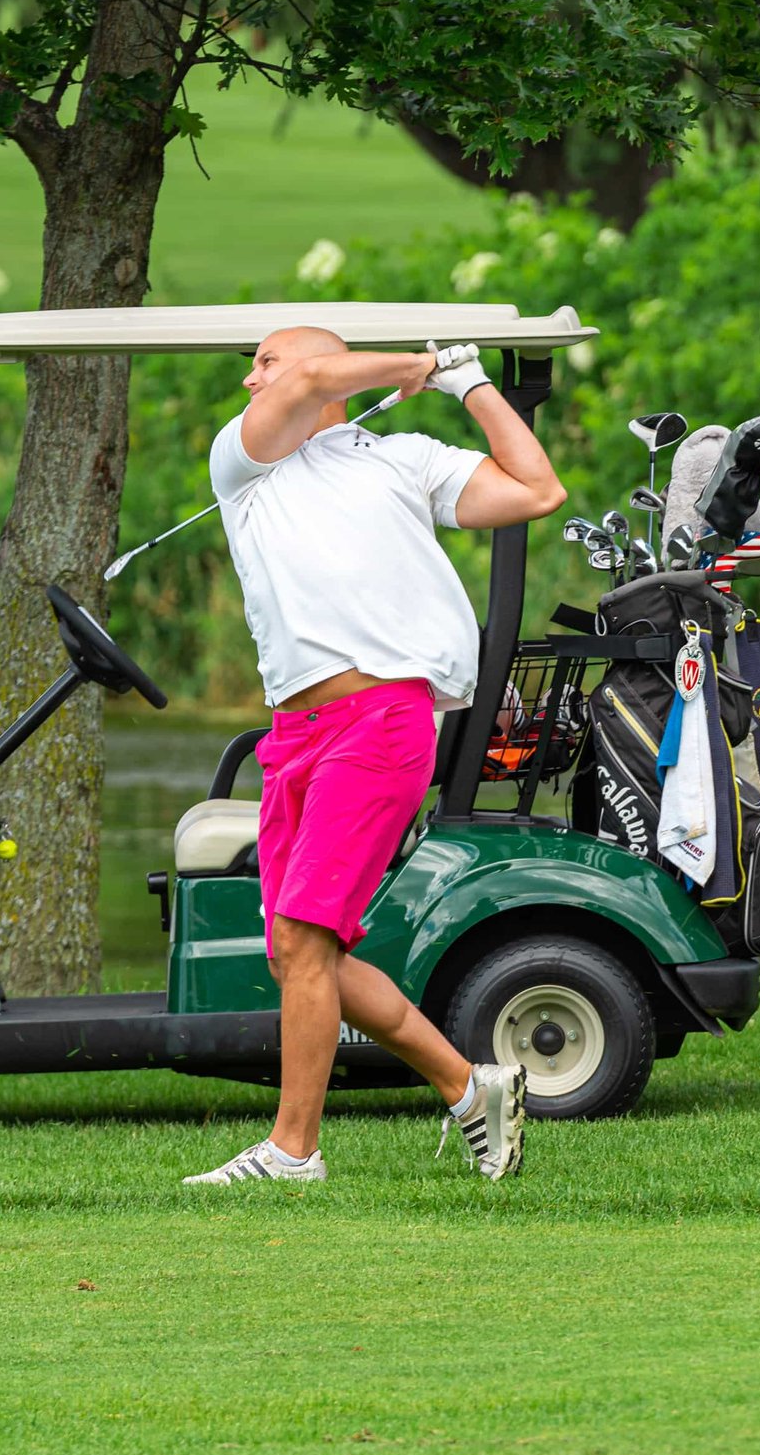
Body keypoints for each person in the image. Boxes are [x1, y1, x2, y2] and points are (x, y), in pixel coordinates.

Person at [181, 326, 569, 1185]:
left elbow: (537, 488)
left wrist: (468, 384)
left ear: (329, 374)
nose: (252, 376)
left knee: (311, 938)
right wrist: (421, 364)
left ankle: (293, 1149)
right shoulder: (243, 462)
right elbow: (309, 377)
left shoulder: (403, 458)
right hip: (295, 736)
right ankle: (473, 1088)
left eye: (266, 360)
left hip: (383, 722)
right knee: (296, 952)